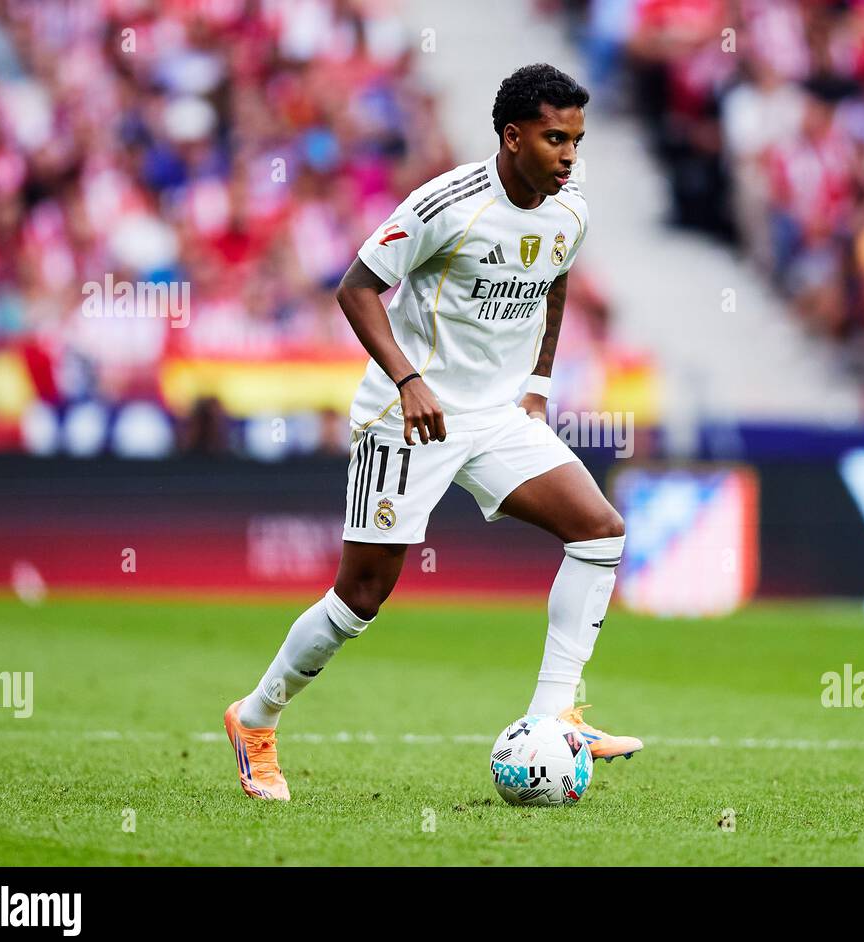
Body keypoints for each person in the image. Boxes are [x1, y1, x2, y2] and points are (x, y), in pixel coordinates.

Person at [224, 64, 642, 800]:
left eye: (577, 139)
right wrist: (408, 382)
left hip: (495, 417)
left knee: (599, 530)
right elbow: (356, 288)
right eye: (554, 139)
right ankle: (256, 719)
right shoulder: (448, 203)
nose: (570, 154)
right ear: (513, 138)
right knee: (360, 599)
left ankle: (556, 717)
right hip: (408, 418)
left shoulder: (569, 210)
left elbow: (556, 279)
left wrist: (539, 389)